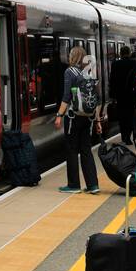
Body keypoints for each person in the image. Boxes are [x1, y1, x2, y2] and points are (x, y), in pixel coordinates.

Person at [56, 47, 101, 194]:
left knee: (72, 150)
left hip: (73, 117)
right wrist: (98, 120)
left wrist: (59, 115)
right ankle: (93, 185)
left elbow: (66, 96)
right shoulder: (90, 72)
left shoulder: (70, 72)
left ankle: (74, 185)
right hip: (88, 118)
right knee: (86, 150)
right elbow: (98, 99)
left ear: (72, 57)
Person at [108, 44, 136, 145]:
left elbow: (112, 81)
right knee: (131, 115)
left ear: (121, 54)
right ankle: (128, 136)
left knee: (122, 117)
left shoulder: (115, 64)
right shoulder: (135, 63)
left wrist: (112, 96)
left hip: (120, 96)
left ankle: (123, 136)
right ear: (129, 53)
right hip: (132, 94)